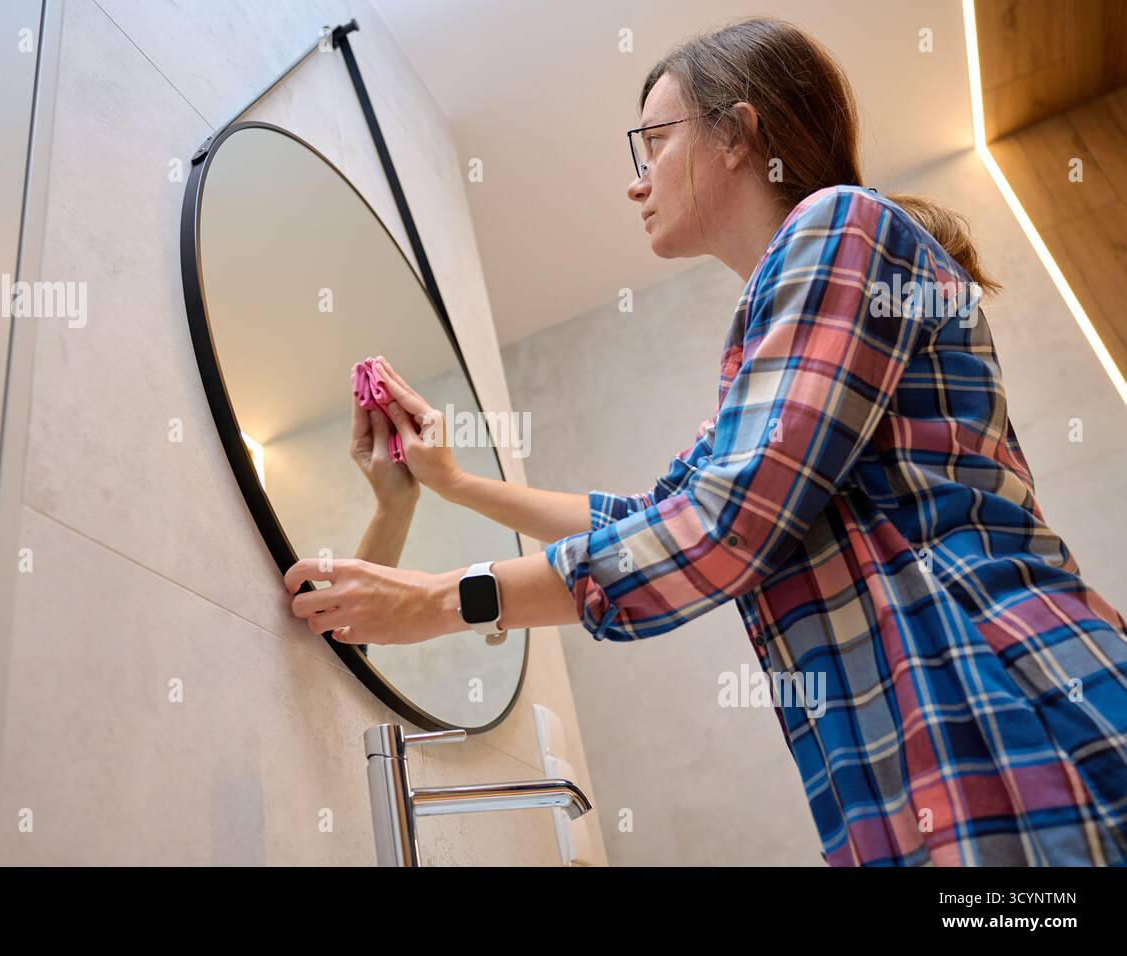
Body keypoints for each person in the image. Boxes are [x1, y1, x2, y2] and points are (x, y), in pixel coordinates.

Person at [285, 16, 1127, 866]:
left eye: (652, 141)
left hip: (1019, 711)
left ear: (739, 135)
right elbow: (659, 513)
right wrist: (454, 484)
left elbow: (725, 526)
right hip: (923, 768)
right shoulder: (769, 346)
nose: (636, 181)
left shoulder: (841, 225)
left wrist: (440, 601)